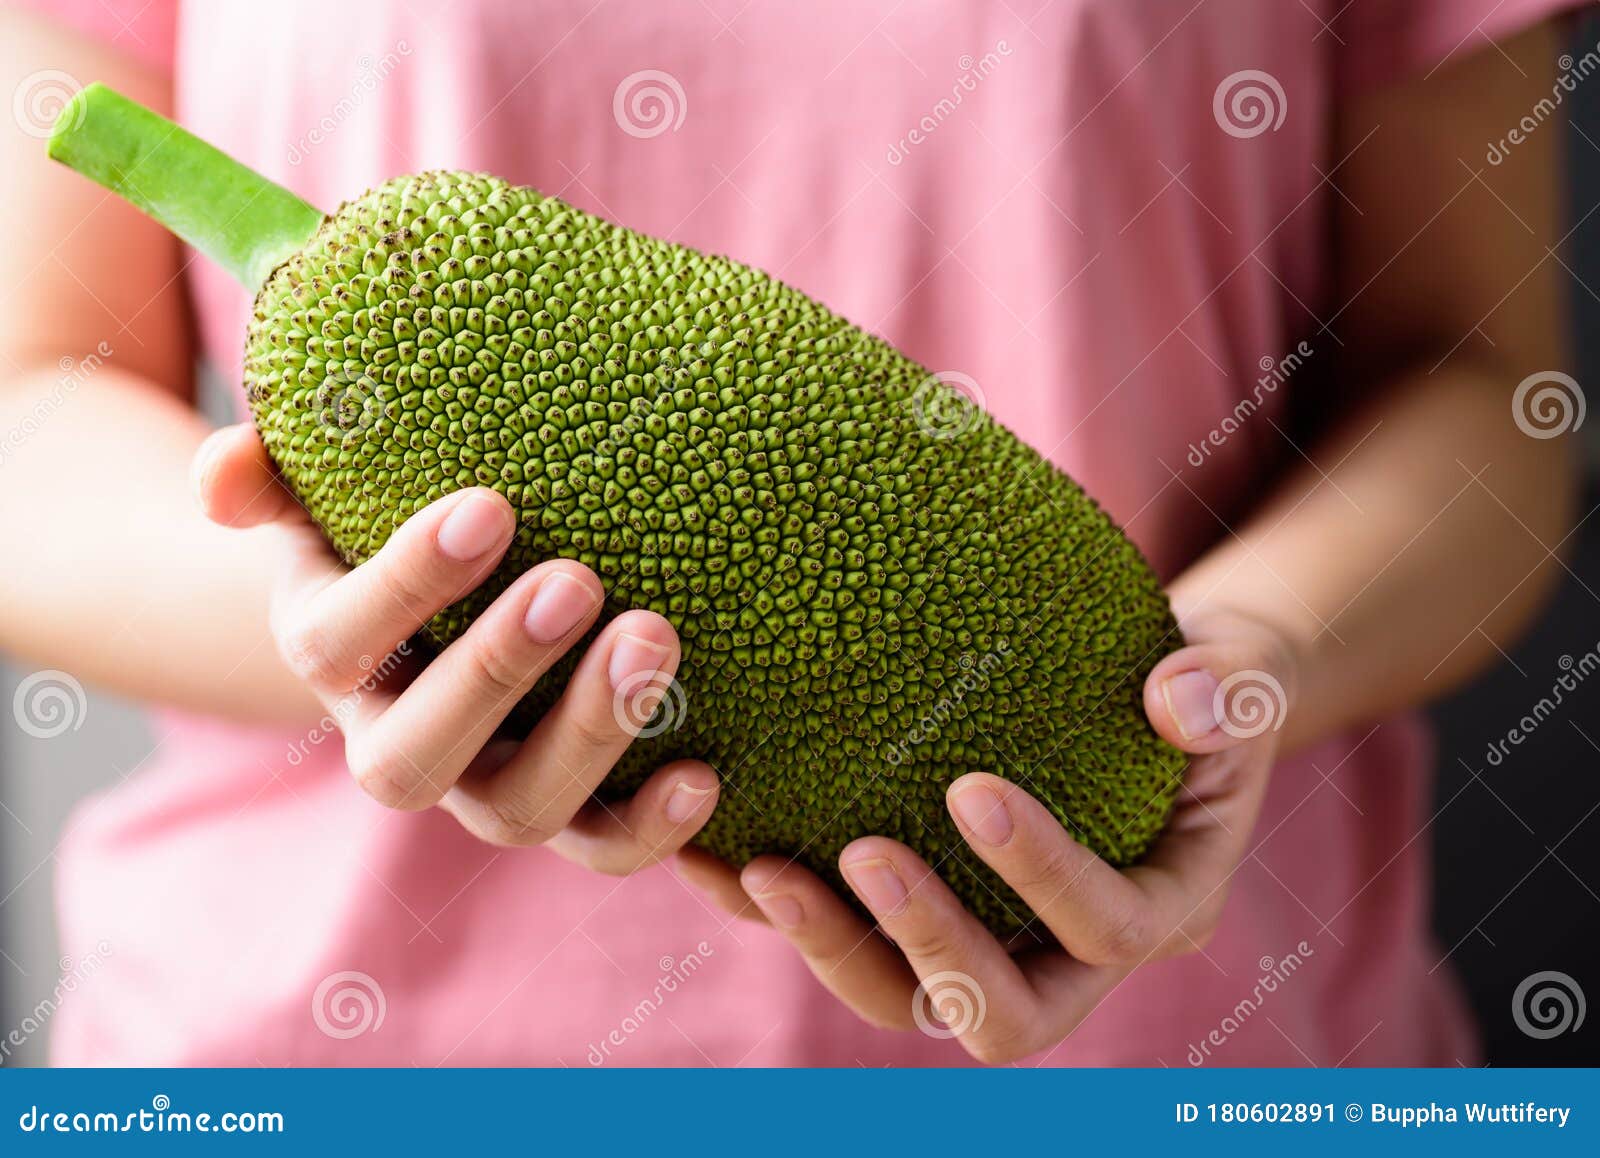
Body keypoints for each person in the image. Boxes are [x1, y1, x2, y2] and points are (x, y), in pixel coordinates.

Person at [0, 0, 1584, 1065]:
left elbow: (1480, 382)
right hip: (324, 1060)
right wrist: (361, 640)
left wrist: (1246, 660)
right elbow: (30, 419)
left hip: (1206, 1054)